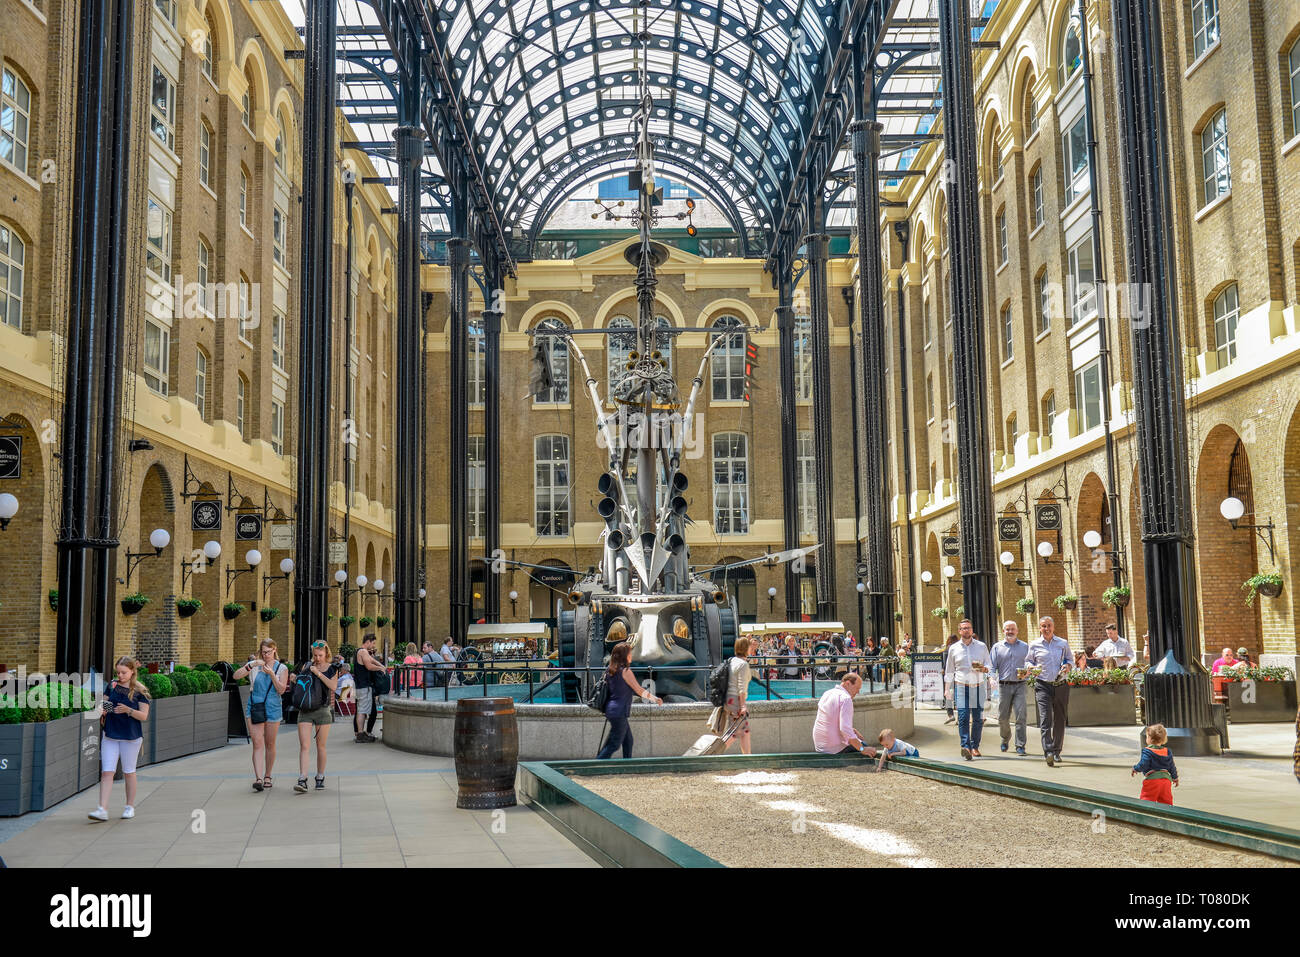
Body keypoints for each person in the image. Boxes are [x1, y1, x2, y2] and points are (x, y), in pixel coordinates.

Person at [89, 657, 152, 822]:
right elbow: (105, 702)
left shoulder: (140, 691)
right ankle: (102, 809)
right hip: (110, 734)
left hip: (130, 737)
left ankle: (129, 806)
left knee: (129, 772)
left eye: (124, 672)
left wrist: (128, 710)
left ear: (132, 671)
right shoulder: (113, 685)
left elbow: (144, 716)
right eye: (118, 672)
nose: (120, 675)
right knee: (107, 771)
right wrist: (102, 709)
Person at [233, 639, 288, 791]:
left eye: (268, 652)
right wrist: (251, 664)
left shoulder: (281, 668)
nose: (266, 655)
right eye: (263, 652)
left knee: (270, 744)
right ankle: (258, 778)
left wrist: (271, 674)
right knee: (257, 743)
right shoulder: (256, 666)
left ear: (274, 650)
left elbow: (281, 689)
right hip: (255, 706)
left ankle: (268, 775)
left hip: (273, 707)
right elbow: (236, 676)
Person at [597, 641, 662, 759]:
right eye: (629, 653)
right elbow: (638, 690)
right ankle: (596, 766)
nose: (631, 655)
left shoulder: (610, 670)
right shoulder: (626, 671)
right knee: (614, 744)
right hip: (619, 711)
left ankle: (627, 763)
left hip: (612, 710)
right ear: (624, 656)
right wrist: (655, 698)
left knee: (628, 741)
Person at [293, 640, 341, 793]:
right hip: (305, 709)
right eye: (315, 655)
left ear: (326, 654)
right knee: (304, 746)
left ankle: (320, 776)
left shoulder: (332, 669)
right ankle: (302, 778)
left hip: (322, 709)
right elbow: (299, 680)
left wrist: (318, 673)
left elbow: (333, 687)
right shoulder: (307, 665)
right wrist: (295, 678)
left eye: (320, 655)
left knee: (321, 746)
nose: (317, 658)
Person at [1026, 616, 1072, 767]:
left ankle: (1057, 750)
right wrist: (1031, 667)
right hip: (1043, 685)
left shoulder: (1062, 643)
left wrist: (1068, 666)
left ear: (1053, 627)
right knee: (1046, 719)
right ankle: (1048, 752)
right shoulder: (1034, 644)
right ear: (1040, 628)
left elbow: (1070, 660)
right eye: (1043, 626)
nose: (1046, 629)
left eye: (1049, 626)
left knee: (1060, 718)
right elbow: (1028, 661)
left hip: (1060, 684)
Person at [944, 619, 992, 760]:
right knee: (963, 717)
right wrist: (947, 689)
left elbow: (989, 665)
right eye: (963, 628)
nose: (966, 630)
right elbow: (949, 671)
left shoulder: (982, 646)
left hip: (978, 686)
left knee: (978, 719)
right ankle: (965, 746)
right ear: (959, 631)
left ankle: (975, 746)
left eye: (968, 628)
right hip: (961, 686)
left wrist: (984, 669)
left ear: (972, 630)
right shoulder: (953, 648)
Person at [812, 673, 877, 756]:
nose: (858, 692)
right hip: (834, 749)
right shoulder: (846, 698)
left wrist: (852, 730)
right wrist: (862, 749)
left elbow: (830, 720)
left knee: (858, 741)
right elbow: (845, 729)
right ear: (848, 683)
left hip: (820, 746)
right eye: (857, 688)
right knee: (867, 749)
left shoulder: (827, 693)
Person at [708, 636, 753, 754]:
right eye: (749, 646)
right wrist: (743, 706)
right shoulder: (743, 665)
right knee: (734, 732)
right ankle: (714, 754)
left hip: (728, 700)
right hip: (736, 701)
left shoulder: (732, 660)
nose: (751, 649)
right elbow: (741, 687)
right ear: (746, 648)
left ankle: (748, 759)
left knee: (744, 731)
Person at [991, 620, 1029, 755]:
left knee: (1021, 716)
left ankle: (1020, 745)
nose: (1010, 631)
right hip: (1004, 686)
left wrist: (1029, 672)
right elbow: (992, 666)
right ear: (1003, 631)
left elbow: (1030, 664)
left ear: (1017, 631)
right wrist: (991, 678)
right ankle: (1005, 738)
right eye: (1007, 629)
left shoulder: (1025, 647)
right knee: (1002, 717)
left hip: (1020, 685)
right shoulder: (997, 647)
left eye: (1012, 629)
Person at [1132, 723, 1179, 804]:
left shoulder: (1147, 751)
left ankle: (1146, 815)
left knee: (1147, 801)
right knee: (1166, 802)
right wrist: (1175, 778)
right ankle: (1166, 815)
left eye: (1147, 736)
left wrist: (1136, 768)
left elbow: (1143, 764)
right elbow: (1172, 766)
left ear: (1149, 738)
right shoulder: (1167, 751)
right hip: (1166, 780)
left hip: (1152, 780)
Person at [353, 632, 385, 742]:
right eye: (373, 643)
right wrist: (380, 669)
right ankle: (361, 734)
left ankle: (361, 733)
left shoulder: (361, 651)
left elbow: (372, 660)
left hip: (361, 686)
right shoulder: (363, 651)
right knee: (362, 711)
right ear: (368, 642)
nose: (374, 645)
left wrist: (381, 665)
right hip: (363, 686)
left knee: (362, 710)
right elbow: (369, 665)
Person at [941, 634, 959, 724]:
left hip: (949, 675)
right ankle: (960, 717)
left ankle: (950, 714)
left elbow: (946, 663)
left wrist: (943, 669)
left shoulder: (947, 649)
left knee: (948, 694)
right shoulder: (959, 648)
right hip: (959, 674)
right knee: (959, 695)